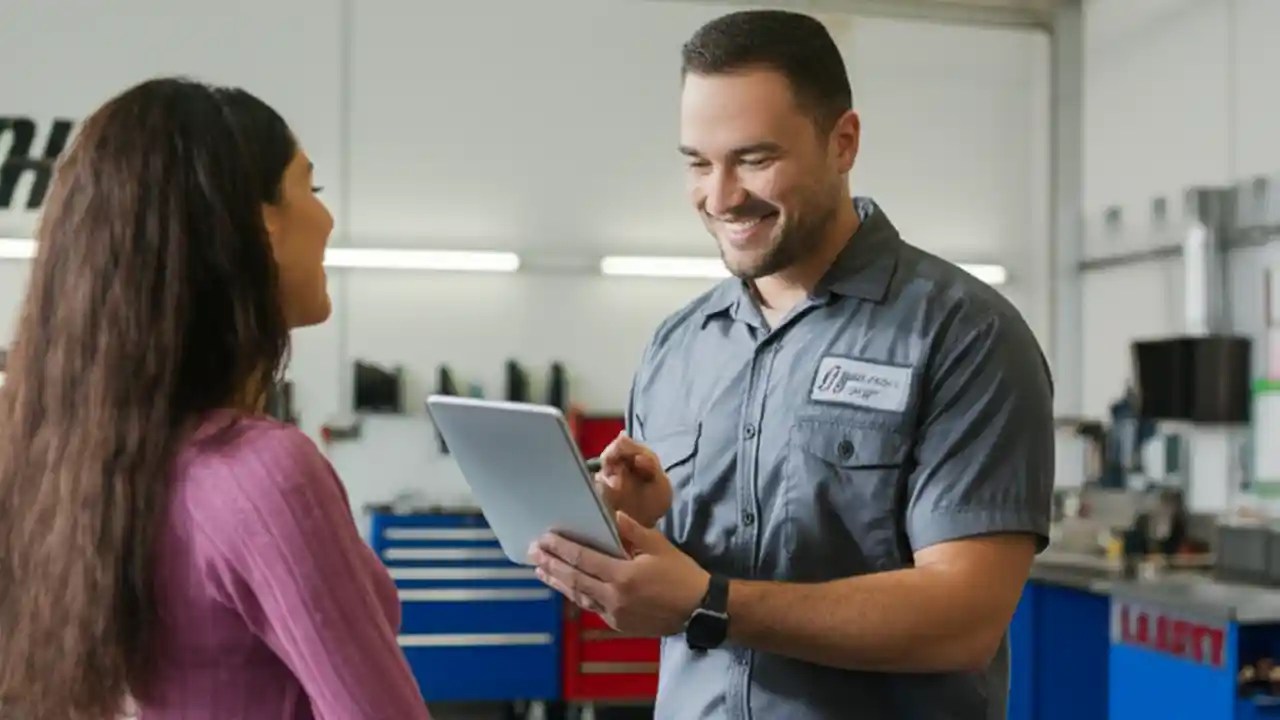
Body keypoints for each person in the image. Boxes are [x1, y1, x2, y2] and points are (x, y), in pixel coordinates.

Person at [529, 10, 1053, 720]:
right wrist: (633, 521)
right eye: (697, 162)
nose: (720, 197)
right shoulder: (679, 345)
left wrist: (711, 603)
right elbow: (683, 564)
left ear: (843, 143)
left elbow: (962, 618)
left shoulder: (963, 335)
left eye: (753, 159)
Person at [0, 78, 431, 720]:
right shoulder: (263, 474)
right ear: (260, 229)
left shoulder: (60, 454)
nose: (328, 218)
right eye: (308, 189)